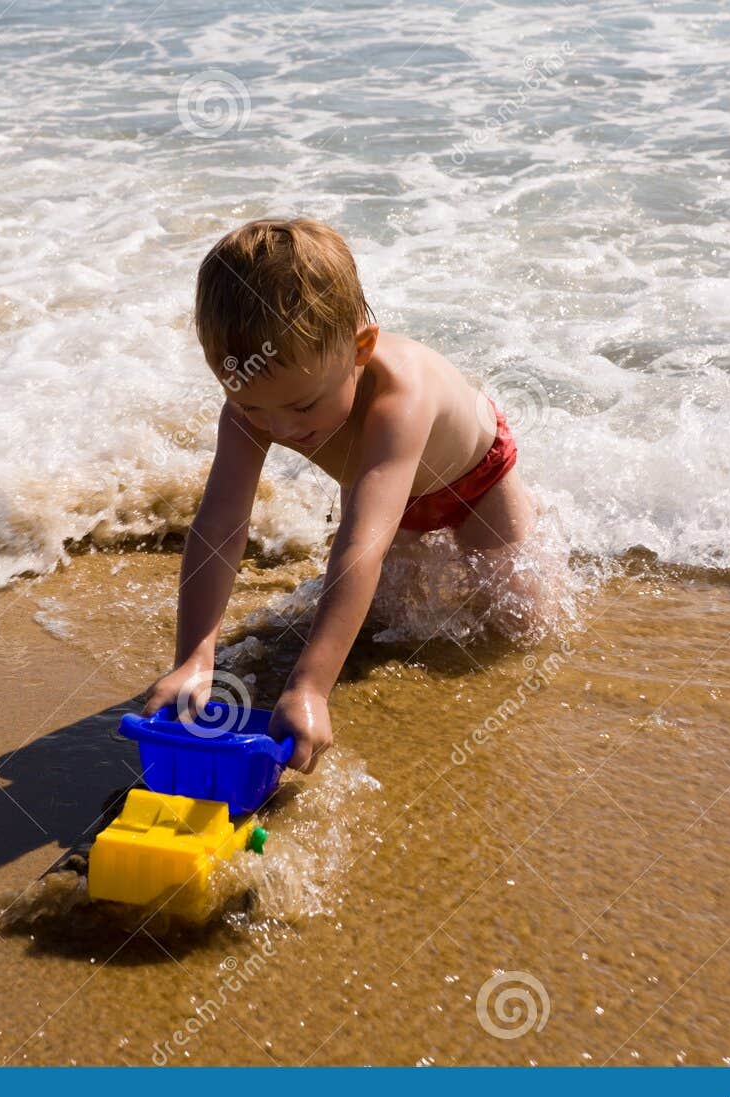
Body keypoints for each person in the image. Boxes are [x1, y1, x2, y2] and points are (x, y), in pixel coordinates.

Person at [143, 218, 539, 771]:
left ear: (360, 349)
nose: (278, 427)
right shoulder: (256, 398)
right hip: (382, 491)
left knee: (520, 622)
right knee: (391, 625)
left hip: (476, 479)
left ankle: (539, 516)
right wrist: (194, 659)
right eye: (254, 408)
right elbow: (221, 525)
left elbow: (359, 548)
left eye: (302, 407)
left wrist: (310, 687)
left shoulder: (401, 398)